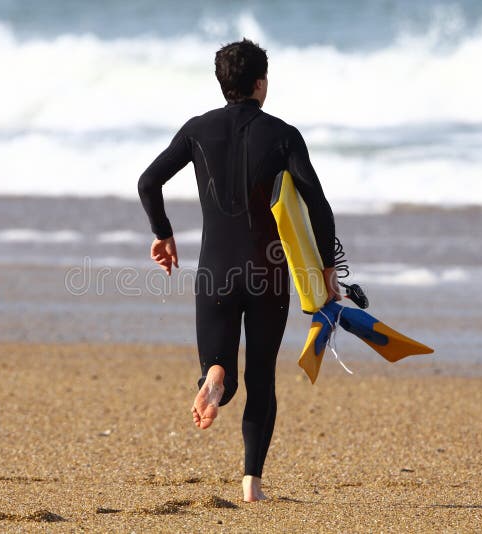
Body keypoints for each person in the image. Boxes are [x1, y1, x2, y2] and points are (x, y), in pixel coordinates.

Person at [137, 38, 340, 502]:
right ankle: (252, 483)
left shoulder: (196, 130)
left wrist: (163, 233)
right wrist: (326, 270)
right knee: (262, 377)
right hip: (268, 274)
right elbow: (318, 205)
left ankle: (212, 379)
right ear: (260, 83)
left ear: (222, 83)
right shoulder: (284, 134)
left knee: (218, 364)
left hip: (215, 273)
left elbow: (148, 181)